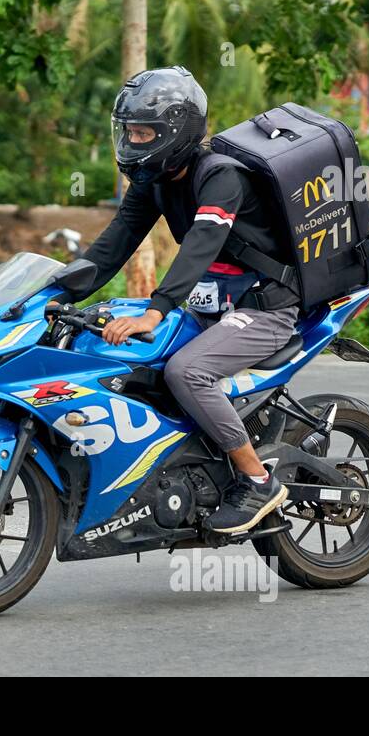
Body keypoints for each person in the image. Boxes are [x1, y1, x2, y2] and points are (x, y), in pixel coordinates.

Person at [80, 66, 299, 534]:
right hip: (208, 308)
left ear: (177, 132)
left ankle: (256, 479)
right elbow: (114, 244)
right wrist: (50, 293)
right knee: (121, 358)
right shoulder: (154, 182)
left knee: (187, 371)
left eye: (145, 133)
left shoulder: (221, 177)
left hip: (263, 309)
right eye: (131, 132)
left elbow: (201, 243)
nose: (134, 142)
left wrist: (156, 309)